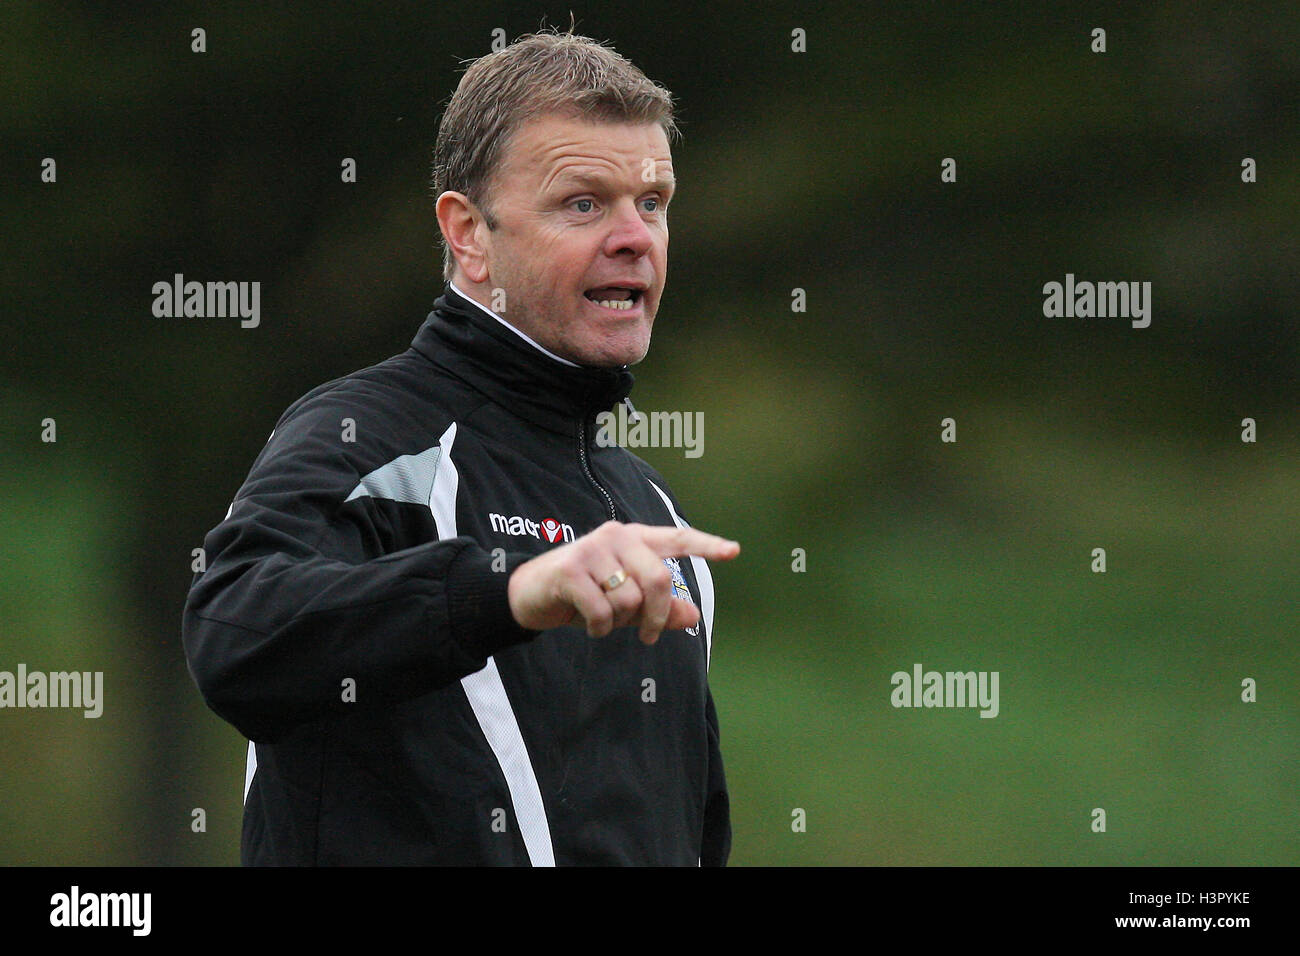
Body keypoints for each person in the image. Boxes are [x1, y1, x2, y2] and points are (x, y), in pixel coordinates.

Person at [182, 30, 740, 866]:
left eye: (653, 202)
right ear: (469, 234)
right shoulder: (368, 437)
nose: (636, 237)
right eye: (583, 203)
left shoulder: (653, 513)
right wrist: (508, 593)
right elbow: (233, 631)